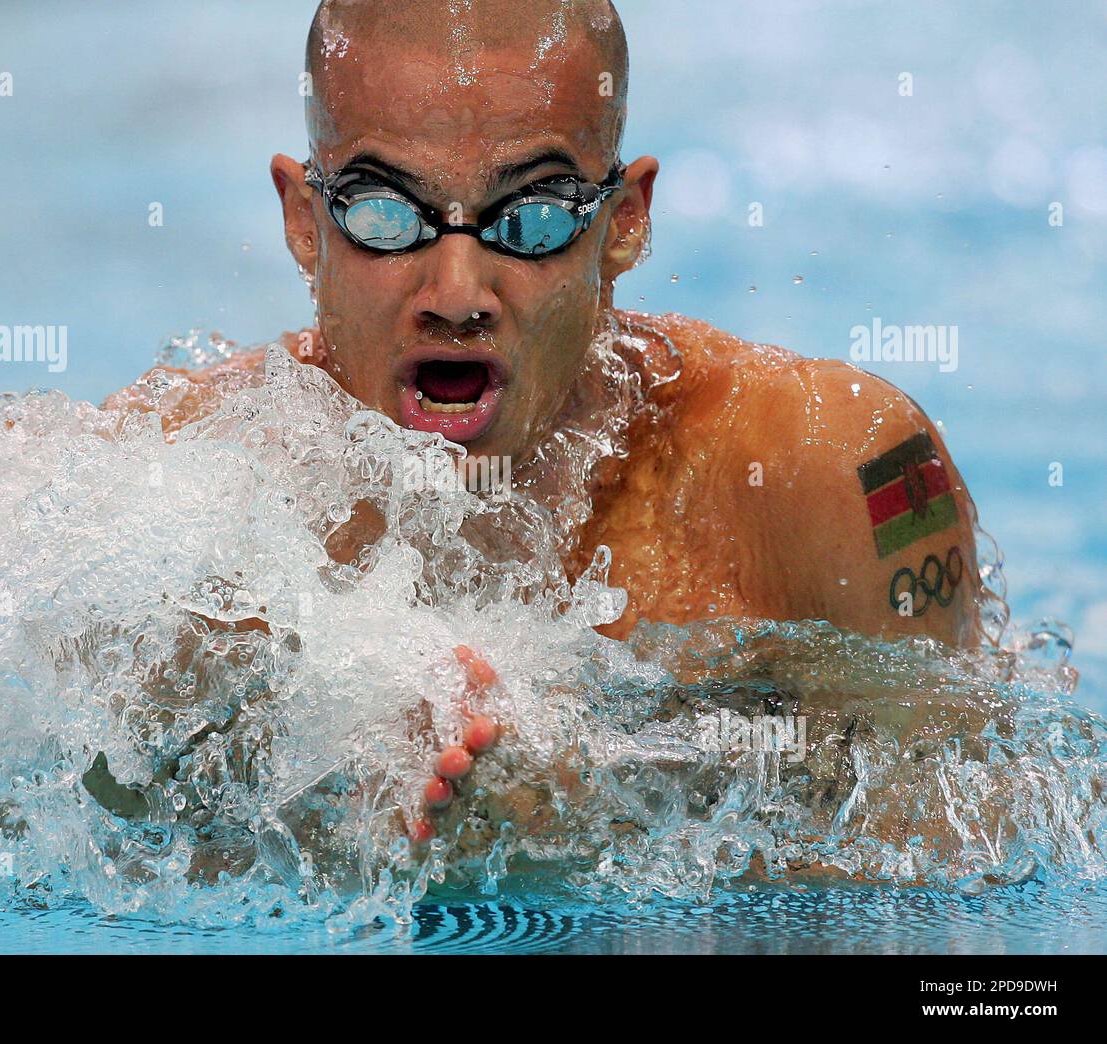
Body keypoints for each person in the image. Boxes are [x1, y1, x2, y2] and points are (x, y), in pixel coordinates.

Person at [99, 0, 988, 841]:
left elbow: (959, 850)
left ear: (624, 224)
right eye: (383, 214)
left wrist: (588, 821)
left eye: (530, 219)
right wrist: (338, 819)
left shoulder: (830, 469)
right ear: (304, 222)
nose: (455, 295)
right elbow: (75, 832)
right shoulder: (174, 494)